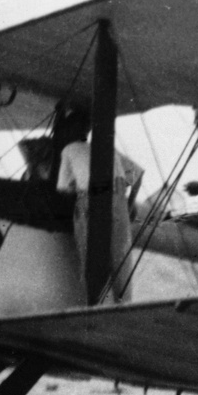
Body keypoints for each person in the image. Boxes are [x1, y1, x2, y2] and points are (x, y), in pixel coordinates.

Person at [55, 108, 144, 303]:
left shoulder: (68, 149)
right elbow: (138, 174)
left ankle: (94, 304)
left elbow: (61, 188)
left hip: (90, 199)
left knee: (90, 257)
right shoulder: (108, 148)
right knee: (120, 259)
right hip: (118, 199)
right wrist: (128, 206)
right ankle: (124, 304)